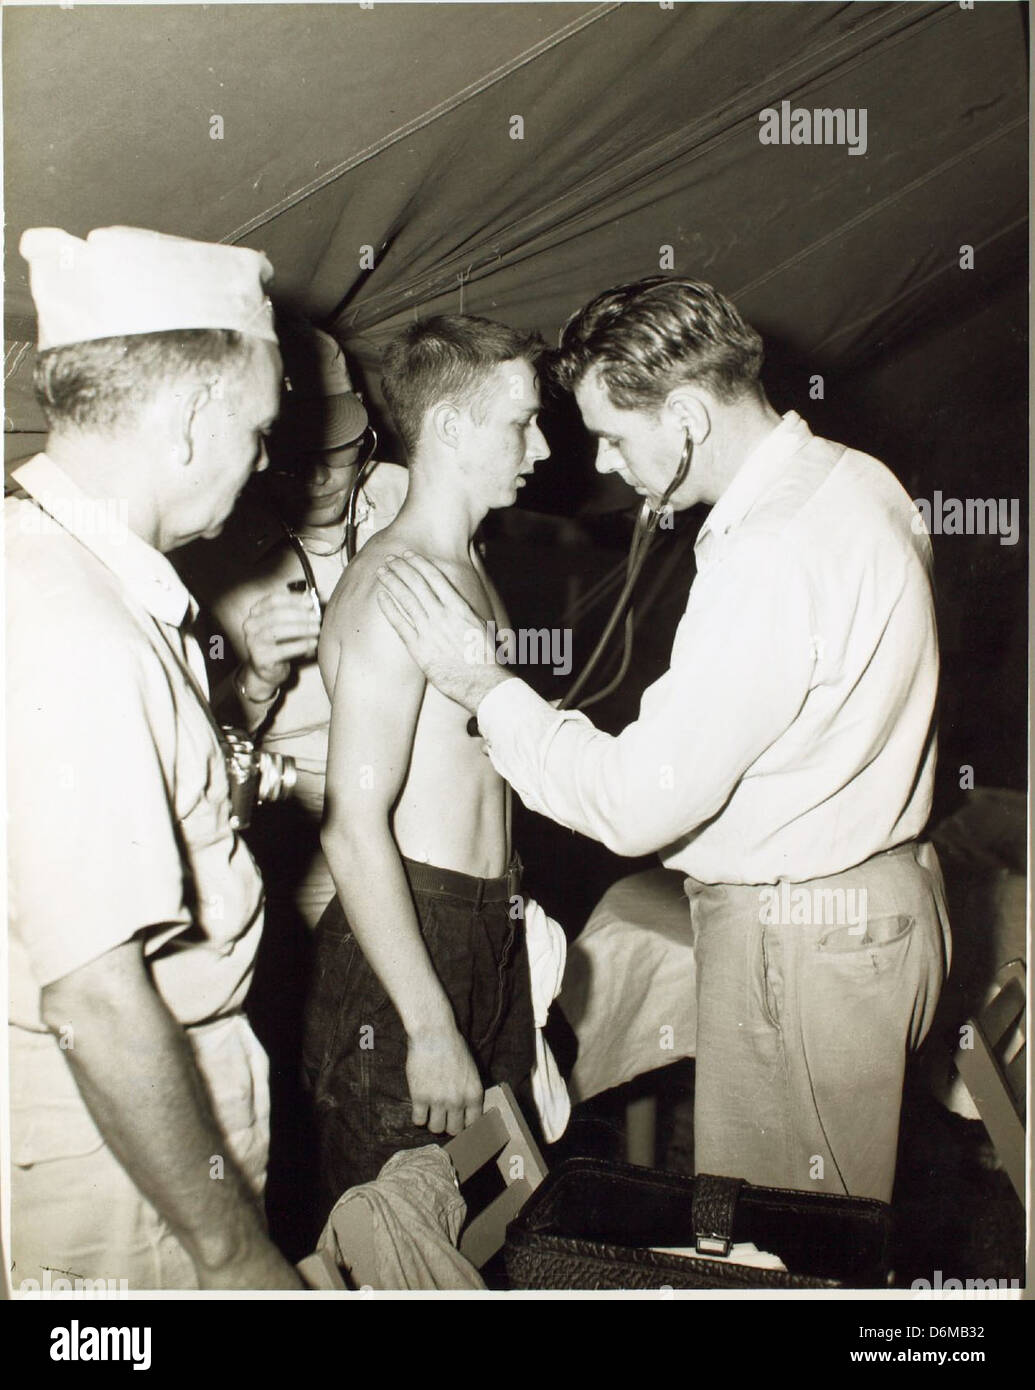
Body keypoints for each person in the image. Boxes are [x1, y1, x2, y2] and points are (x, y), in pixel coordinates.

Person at [374, 277, 951, 1205]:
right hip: (881, 905)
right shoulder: (850, 475)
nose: (601, 464)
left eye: (611, 433)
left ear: (684, 414)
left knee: (786, 1243)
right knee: (833, 1220)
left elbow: (639, 803)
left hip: (800, 940)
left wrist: (487, 690)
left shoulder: (771, 553)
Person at [6, 224, 301, 1289]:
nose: (266, 460)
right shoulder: (75, 624)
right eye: (260, 430)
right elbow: (95, 994)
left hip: (133, 1129)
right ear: (190, 420)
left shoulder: (53, 568)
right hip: (120, 1168)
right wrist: (232, 1252)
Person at [302, 314, 548, 1203]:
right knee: (396, 1237)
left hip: (486, 923)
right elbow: (352, 826)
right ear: (449, 426)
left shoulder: (467, 565)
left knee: (488, 1220)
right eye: (522, 420)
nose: (543, 445)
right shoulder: (394, 586)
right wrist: (428, 1024)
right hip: (411, 935)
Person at [174, 320, 408, 931]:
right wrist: (257, 678)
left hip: (422, 812)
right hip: (306, 842)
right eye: (296, 457)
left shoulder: (410, 497)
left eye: (337, 449)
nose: (322, 477)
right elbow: (197, 756)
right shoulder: (209, 556)